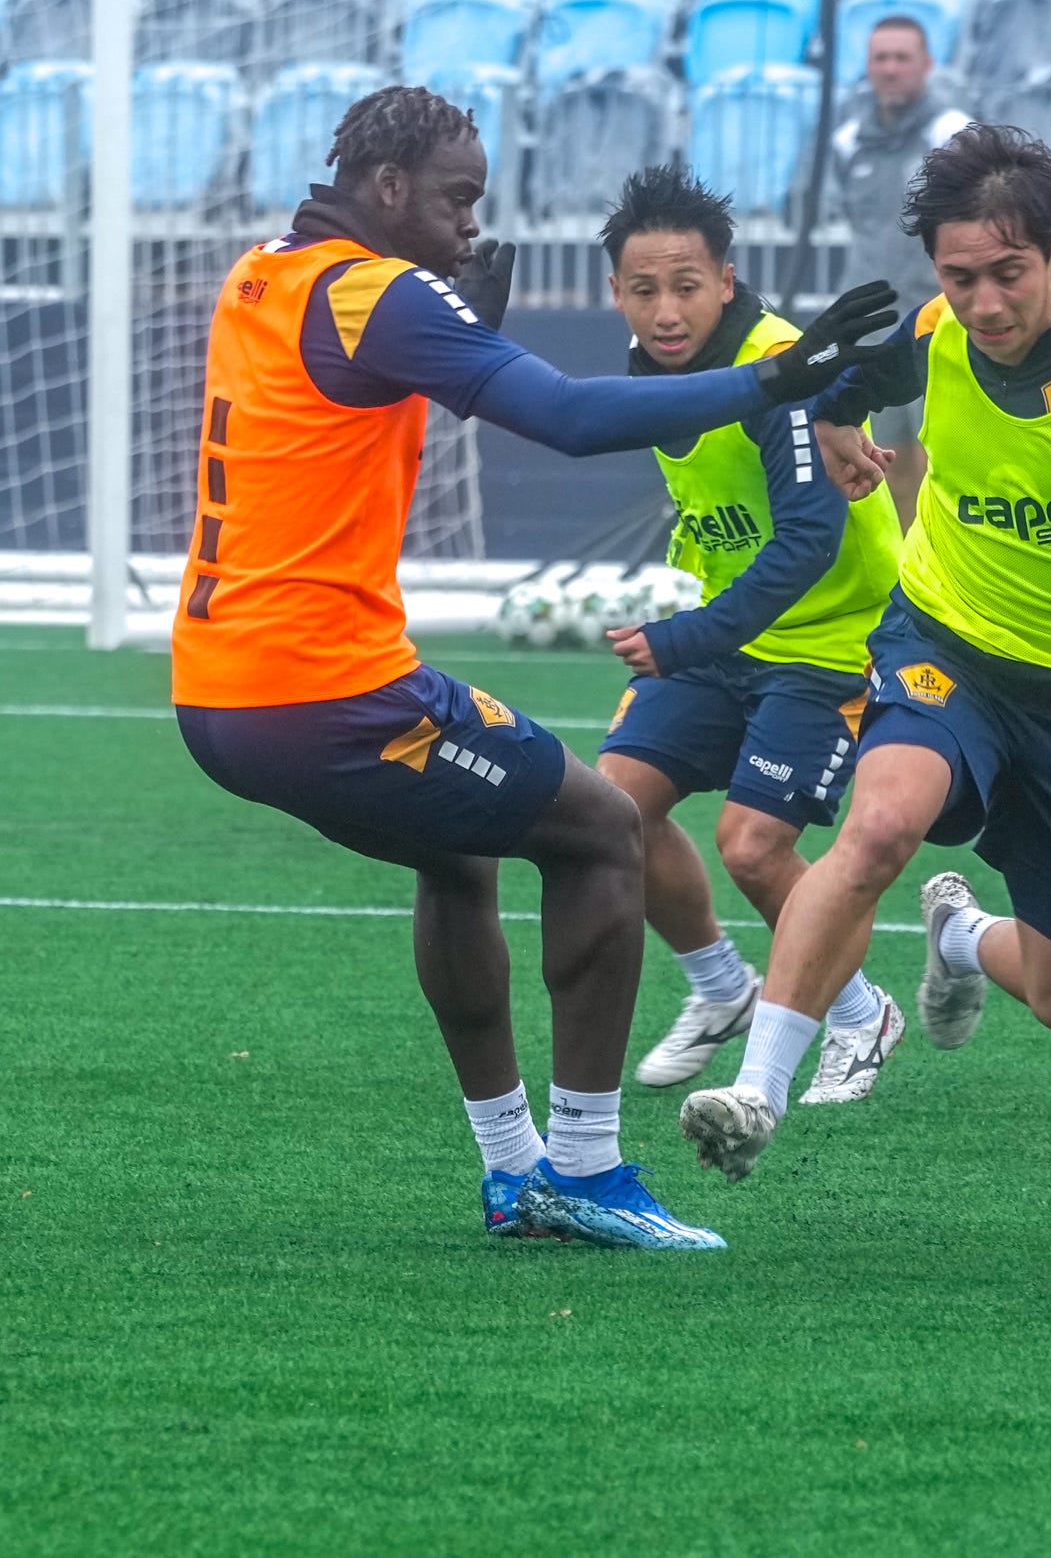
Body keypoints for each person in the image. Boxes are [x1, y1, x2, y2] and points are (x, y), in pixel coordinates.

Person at [169, 86, 898, 1251]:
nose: (472, 225)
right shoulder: (383, 294)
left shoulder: (264, 271)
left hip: (216, 690)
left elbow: (349, 401)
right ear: (390, 189)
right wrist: (774, 378)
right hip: (325, 689)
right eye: (458, 199)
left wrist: (449, 331)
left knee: (460, 851)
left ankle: (515, 1174)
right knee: (605, 828)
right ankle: (590, 1169)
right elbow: (561, 415)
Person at [674, 124, 1051, 1182]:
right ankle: (759, 1092)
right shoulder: (933, 330)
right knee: (878, 826)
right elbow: (832, 388)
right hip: (942, 645)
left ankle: (959, 941)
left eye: (1007, 274)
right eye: (960, 279)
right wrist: (835, 429)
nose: (985, 304)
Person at [587, 165, 909, 1108]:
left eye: (686, 285)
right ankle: (724, 987)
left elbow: (809, 542)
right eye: (643, 289)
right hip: (732, 634)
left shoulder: (783, 370)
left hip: (833, 640)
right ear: (616, 294)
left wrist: (684, 638)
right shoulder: (651, 372)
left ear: (726, 281)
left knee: (754, 846)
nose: (666, 308)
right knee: (611, 815)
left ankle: (858, 1013)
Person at [833, 15, 973, 532]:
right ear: (867, 66)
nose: (890, 69)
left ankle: (955, 570)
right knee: (886, 459)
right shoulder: (848, 140)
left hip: (939, 322)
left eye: (902, 57)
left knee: (946, 457)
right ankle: (908, 573)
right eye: (880, 58)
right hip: (873, 326)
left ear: (927, 65)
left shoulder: (953, 133)